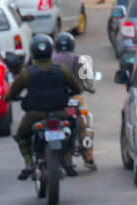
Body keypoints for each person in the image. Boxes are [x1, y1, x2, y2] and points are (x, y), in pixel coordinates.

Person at [7, 34, 83, 179]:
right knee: (71, 130)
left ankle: (29, 164)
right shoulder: (61, 70)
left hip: (34, 114)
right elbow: (76, 88)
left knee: (21, 136)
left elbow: (11, 93)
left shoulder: (27, 73)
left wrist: (9, 98)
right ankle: (67, 162)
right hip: (60, 113)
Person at [51, 32, 96, 170]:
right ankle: (88, 157)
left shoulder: (50, 60)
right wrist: (89, 88)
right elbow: (90, 84)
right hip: (75, 99)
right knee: (86, 124)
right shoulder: (80, 61)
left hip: (56, 99)